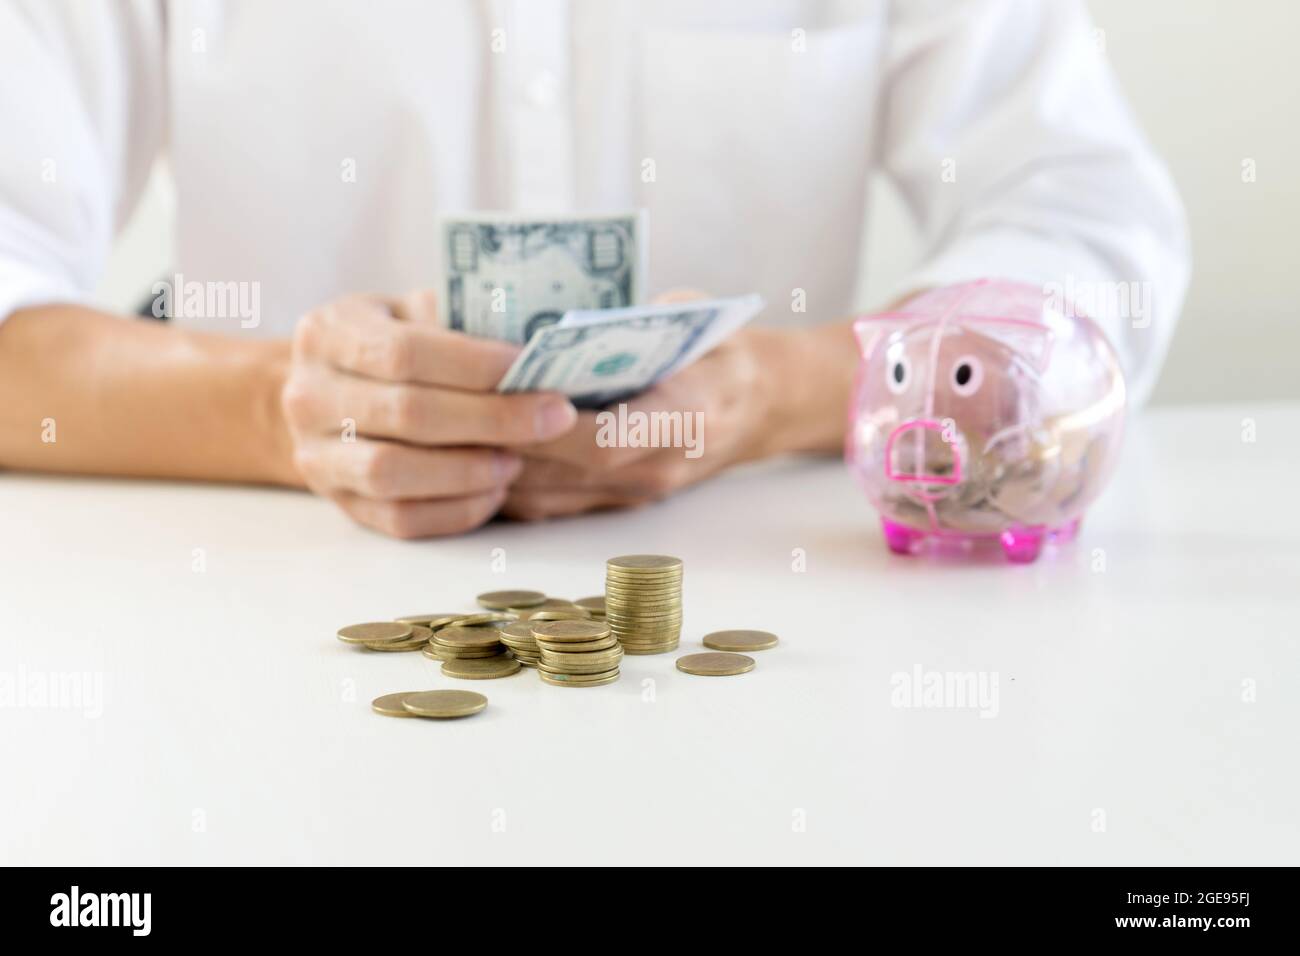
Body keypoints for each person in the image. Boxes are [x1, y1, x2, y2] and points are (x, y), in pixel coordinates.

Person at [0, 0, 1189, 538]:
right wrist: (283, 413)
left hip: (768, 621)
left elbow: (1085, 215)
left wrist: (781, 388)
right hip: (253, 620)